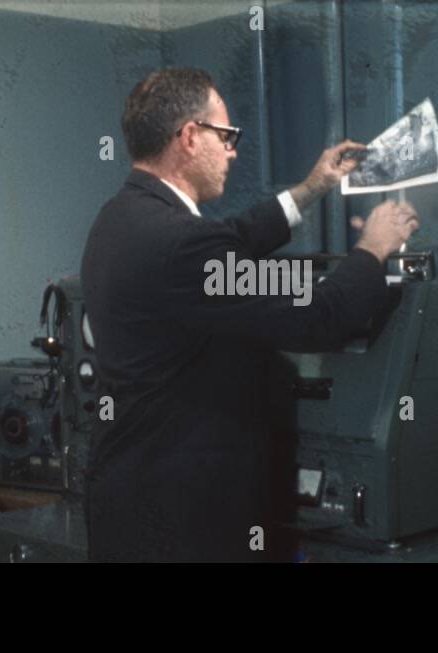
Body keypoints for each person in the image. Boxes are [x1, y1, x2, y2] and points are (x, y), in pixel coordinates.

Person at [80, 68, 418, 562]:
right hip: (183, 526)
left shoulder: (120, 218)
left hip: (126, 504)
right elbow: (318, 315)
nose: (234, 150)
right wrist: (372, 248)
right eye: (228, 136)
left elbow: (230, 240)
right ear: (191, 137)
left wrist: (311, 188)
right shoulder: (184, 246)